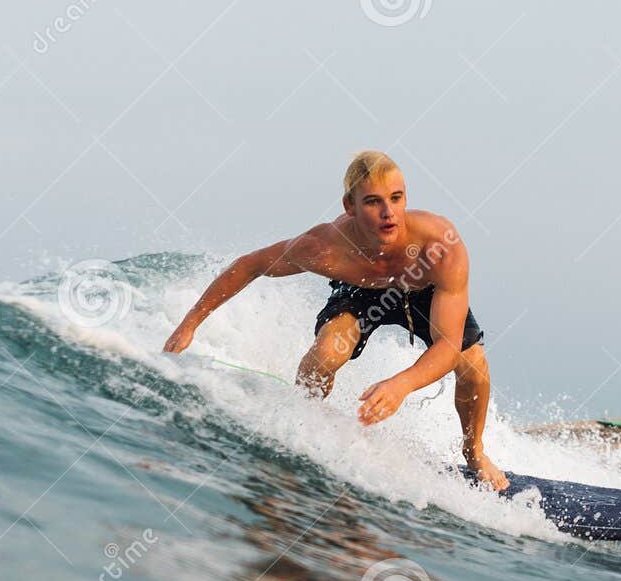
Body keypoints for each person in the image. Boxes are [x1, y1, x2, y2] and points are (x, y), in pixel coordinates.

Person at [161, 150, 507, 490]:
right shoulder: (324, 247)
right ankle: (301, 421)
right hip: (361, 287)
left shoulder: (439, 246)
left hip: (421, 289)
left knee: (473, 364)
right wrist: (190, 323)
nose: (388, 213)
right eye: (373, 202)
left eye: (396, 198)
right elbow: (250, 265)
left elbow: (447, 344)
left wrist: (400, 384)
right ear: (349, 207)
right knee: (327, 353)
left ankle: (474, 452)